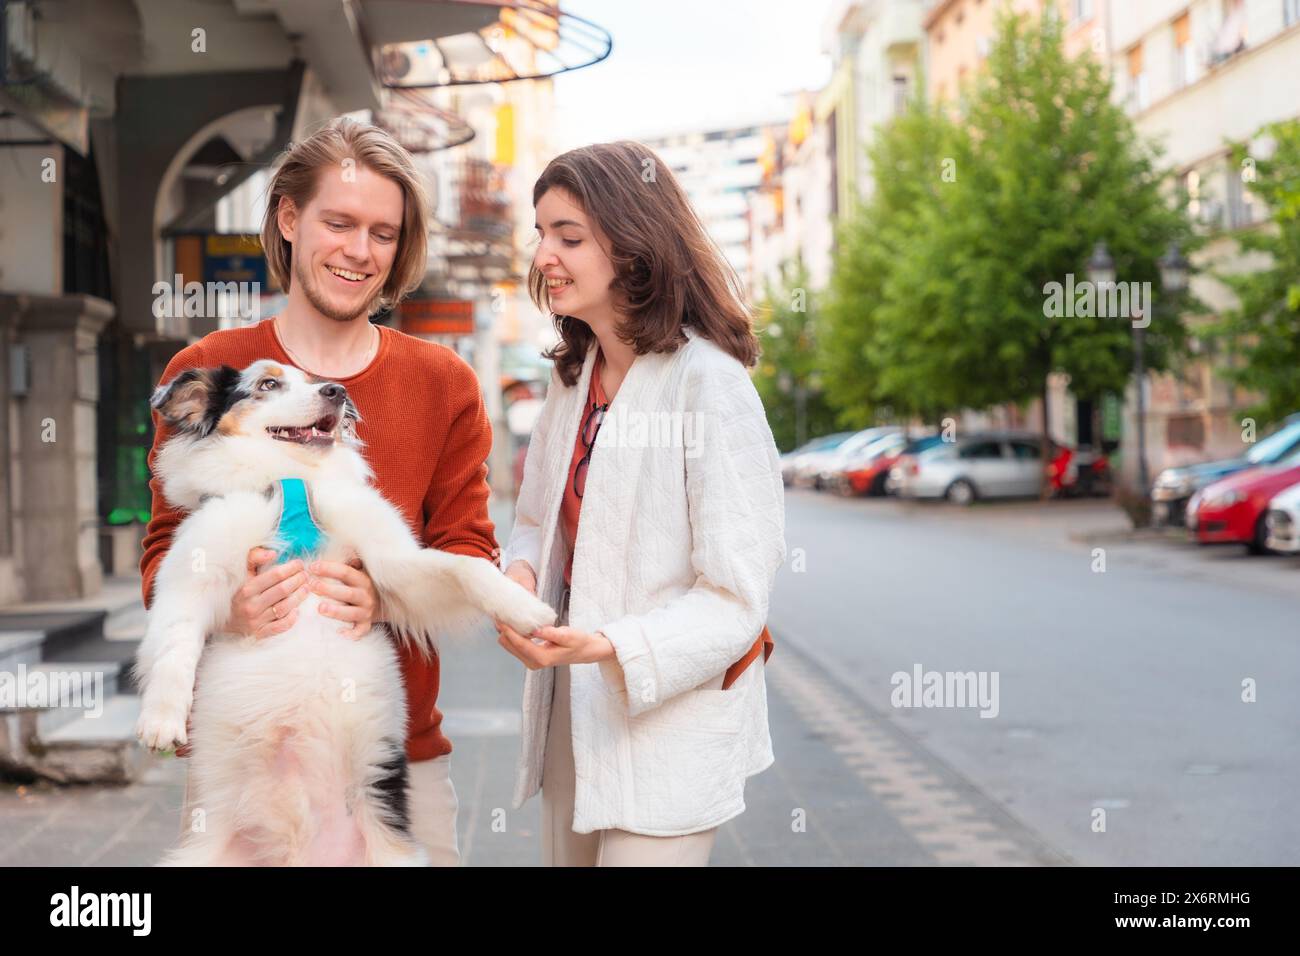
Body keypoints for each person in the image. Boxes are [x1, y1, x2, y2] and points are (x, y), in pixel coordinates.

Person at [140, 117, 497, 866]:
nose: (359, 251)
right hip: (243, 760)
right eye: (338, 222)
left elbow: (469, 546)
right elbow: (162, 552)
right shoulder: (214, 367)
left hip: (388, 766)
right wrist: (230, 609)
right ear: (290, 218)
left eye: (383, 232)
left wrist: (384, 592)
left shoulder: (444, 383)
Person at [495, 142, 785, 866]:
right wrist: (520, 583)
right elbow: (533, 524)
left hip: (670, 736)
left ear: (631, 247)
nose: (544, 256)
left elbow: (735, 596)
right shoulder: (572, 379)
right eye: (540, 234)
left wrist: (612, 646)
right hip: (574, 719)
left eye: (568, 236)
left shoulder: (709, 384)